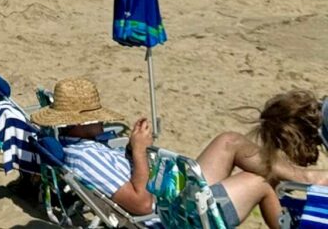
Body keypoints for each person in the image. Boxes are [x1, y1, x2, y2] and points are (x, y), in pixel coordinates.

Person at [32, 80, 328, 229]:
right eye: (96, 117)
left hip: (171, 196)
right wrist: (139, 150)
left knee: (228, 141)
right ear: (80, 123)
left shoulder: (83, 147)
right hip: (169, 217)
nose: (101, 121)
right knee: (260, 183)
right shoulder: (85, 158)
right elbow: (140, 202)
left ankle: (305, 177)